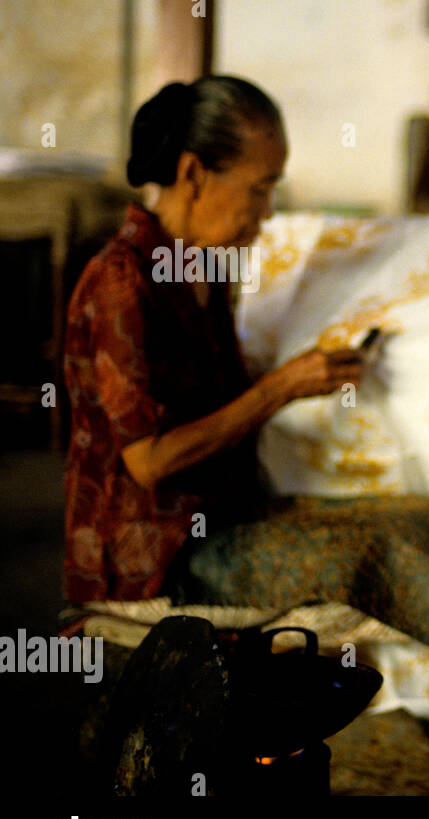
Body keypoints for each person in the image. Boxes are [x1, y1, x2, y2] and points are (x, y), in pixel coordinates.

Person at [63, 76, 364, 603]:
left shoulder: (208, 266)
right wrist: (278, 389)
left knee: (413, 529)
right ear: (194, 174)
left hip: (217, 516)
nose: (268, 211)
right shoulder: (121, 282)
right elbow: (150, 462)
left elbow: (214, 401)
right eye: (260, 187)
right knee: (370, 559)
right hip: (150, 556)